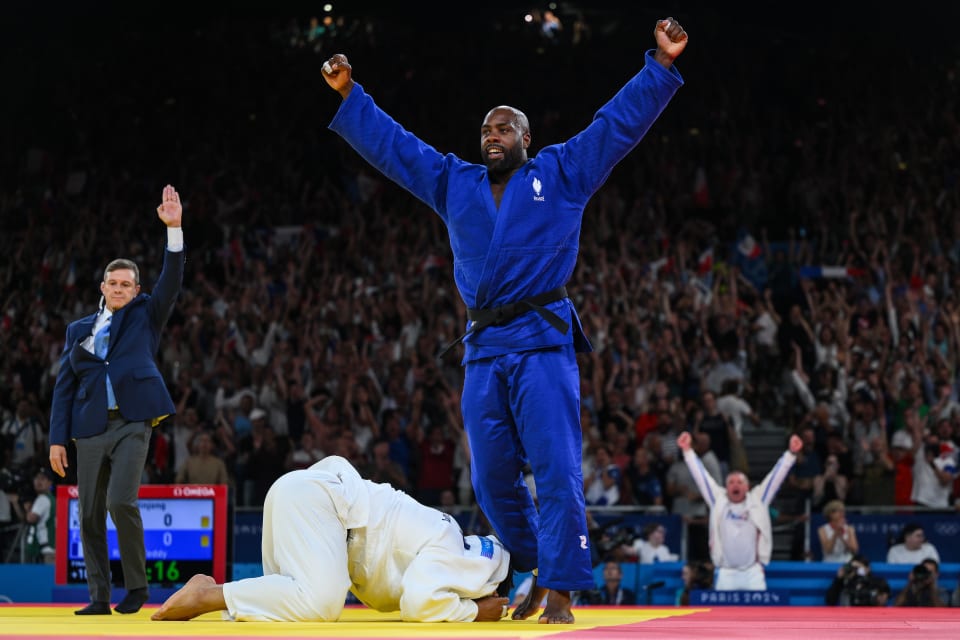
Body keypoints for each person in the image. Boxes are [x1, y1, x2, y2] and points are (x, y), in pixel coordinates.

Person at [321, 16, 688, 624]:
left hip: (543, 343)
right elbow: (396, 147)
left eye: (505, 128)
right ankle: (535, 568)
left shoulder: (562, 173)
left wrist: (662, 66)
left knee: (556, 467)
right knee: (491, 479)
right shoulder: (453, 182)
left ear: (526, 135)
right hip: (486, 345)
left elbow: (614, 127)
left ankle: (564, 588)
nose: (493, 135)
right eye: (487, 128)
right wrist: (350, 96)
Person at [152, 456, 510, 623]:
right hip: (318, 505)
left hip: (305, 499)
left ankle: (212, 594)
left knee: (283, 612)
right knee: (321, 606)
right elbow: (418, 603)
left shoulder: (439, 533)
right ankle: (208, 594)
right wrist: (474, 612)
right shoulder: (448, 545)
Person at [48, 184, 185, 615]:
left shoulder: (147, 314)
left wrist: (175, 230)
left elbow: (172, 280)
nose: (121, 288)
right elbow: (63, 389)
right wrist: (56, 439)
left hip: (132, 422)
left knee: (121, 501)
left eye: (128, 283)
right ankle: (98, 597)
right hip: (88, 430)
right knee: (87, 514)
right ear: (102, 287)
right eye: (114, 282)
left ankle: (138, 588)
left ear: (137, 288)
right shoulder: (77, 331)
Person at [677, 430, 802, 590]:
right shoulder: (718, 500)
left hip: (753, 572)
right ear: (726, 487)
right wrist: (687, 451)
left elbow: (775, 477)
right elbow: (701, 477)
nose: (735, 485)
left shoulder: (758, 500)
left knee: (758, 615)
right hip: (726, 572)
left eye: (739, 482)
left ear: (747, 487)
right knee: (723, 615)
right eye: (731, 482)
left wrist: (790, 454)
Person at [23, 467, 57, 564]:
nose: (39, 481)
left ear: (50, 483)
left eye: (43, 479)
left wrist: (28, 508)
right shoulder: (52, 499)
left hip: (47, 551)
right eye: (37, 478)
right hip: (52, 549)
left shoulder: (43, 498)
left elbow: (31, 518)